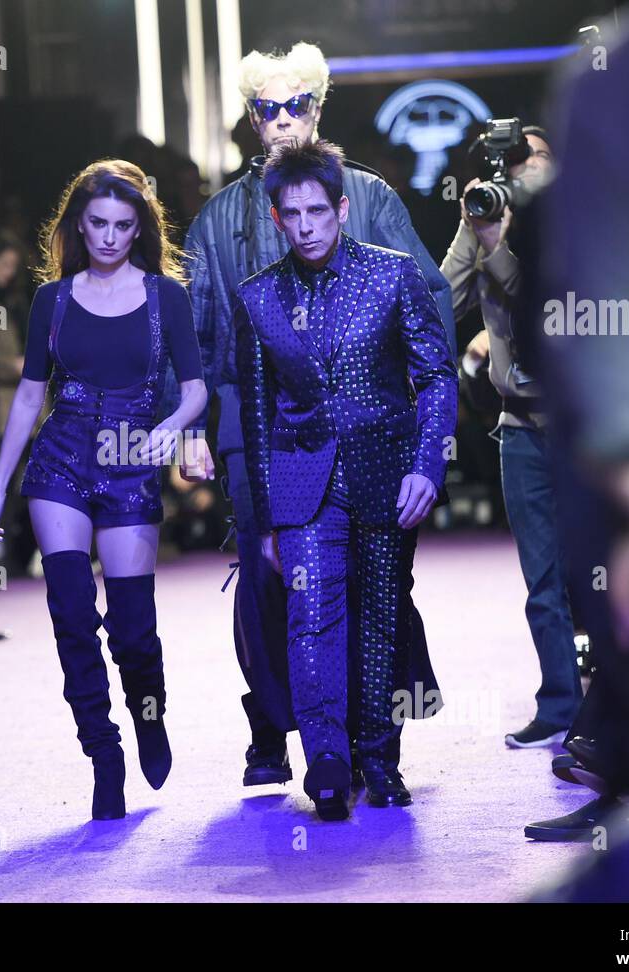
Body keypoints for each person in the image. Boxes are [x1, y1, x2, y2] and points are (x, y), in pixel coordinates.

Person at [169, 41, 455, 789]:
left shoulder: (368, 195)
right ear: (250, 119)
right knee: (271, 576)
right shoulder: (219, 218)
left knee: (376, 582)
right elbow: (198, 337)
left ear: (319, 108)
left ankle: (373, 736)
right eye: (267, 107)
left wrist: (421, 422)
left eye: (298, 103)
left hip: (368, 418)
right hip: (254, 419)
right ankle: (272, 725)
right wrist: (191, 431)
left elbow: (425, 302)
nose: (283, 118)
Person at [0, 159, 209, 821]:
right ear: (80, 223)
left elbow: (193, 390)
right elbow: (29, 396)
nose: (109, 236)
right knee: (73, 614)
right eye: (98, 223)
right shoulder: (54, 298)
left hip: (134, 450)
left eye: (123, 226)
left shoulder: (167, 296)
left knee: (134, 631)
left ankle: (148, 711)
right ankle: (103, 753)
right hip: (64, 452)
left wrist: (170, 429)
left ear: (140, 229)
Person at [237, 140, 457, 820]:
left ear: (342, 207)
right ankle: (327, 763)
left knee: (383, 614)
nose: (306, 226)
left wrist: (428, 464)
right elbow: (255, 414)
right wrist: (268, 516)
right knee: (311, 614)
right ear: (275, 216)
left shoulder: (391, 277)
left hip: (388, 471)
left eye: (317, 211)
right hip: (303, 480)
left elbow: (437, 373)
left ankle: (380, 758)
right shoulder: (257, 298)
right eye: (292, 213)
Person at [440, 125, 583, 747]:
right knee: (542, 580)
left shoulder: (577, 219)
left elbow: (546, 307)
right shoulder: (487, 220)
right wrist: (473, 227)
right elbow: (440, 302)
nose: (524, 171)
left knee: (599, 572)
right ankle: (561, 704)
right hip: (520, 427)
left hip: (583, 428)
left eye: (537, 158)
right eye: (514, 163)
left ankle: (616, 715)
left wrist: (496, 244)